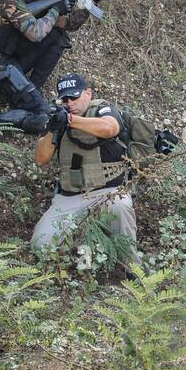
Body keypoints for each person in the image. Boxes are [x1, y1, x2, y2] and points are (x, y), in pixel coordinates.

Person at [0, 0, 117, 134]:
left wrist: (94, 0)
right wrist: (56, 9)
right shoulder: (9, 0)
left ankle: (32, 91)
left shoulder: (41, 6)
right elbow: (35, 33)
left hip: (12, 64)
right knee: (41, 114)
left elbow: (69, 25)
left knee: (58, 36)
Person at [30, 73, 139, 260]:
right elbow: (41, 159)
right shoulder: (59, 117)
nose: (70, 103)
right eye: (65, 99)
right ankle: (80, 256)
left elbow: (110, 128)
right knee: (40, 245)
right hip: (69, 196)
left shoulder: (102, 109)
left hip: (108, 193)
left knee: (121, 208)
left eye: (75, 97)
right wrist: (54, 127)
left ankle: (133, 270)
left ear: (88, 93)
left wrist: (71, 120)